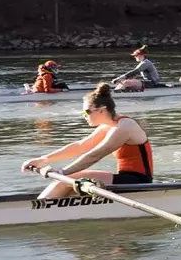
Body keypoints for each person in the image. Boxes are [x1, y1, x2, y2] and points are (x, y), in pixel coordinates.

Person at [21, 83, 154, 199]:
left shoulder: (125, 126)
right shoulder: (107, 126)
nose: (84, 116)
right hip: (124, 178)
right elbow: (80, 146)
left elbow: (95, 155)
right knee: (70, 183)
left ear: (101, 110)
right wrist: (43, 159)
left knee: (65, 181)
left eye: (86, 112)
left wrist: (63, 172)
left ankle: (37, 210)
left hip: (138, 181)